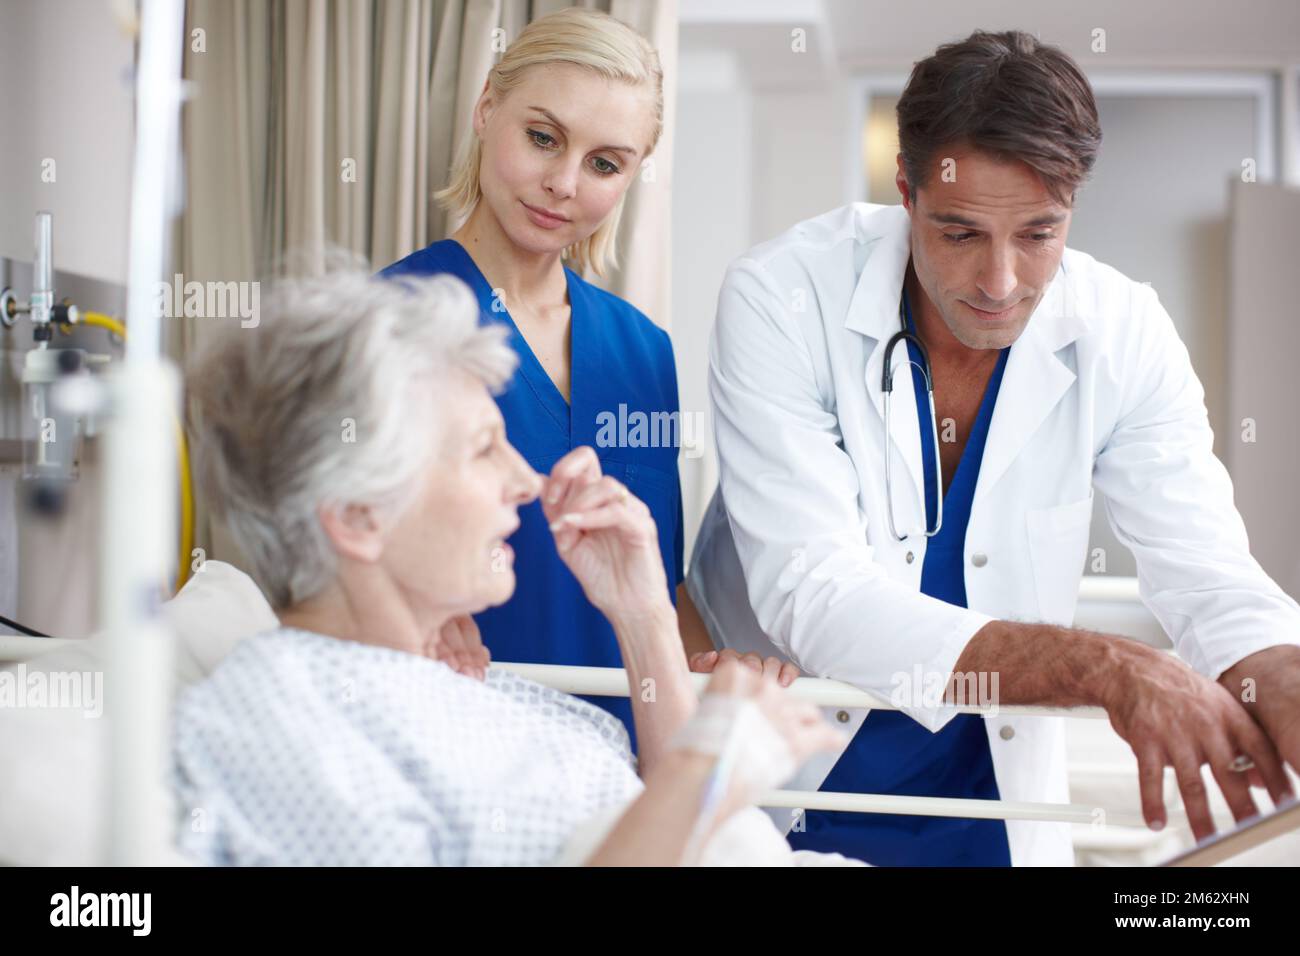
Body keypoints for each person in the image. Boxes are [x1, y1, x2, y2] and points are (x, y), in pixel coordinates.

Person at [688, 29, 1300, 866]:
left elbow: (1209, 573)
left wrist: (1283, 679)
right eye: (961, 233)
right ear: (906, 189)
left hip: (991, 816)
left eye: (1039, 234)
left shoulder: (1123, 333)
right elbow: (814, 593)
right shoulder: (785, 298)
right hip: (787, 792)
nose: (1001, 283)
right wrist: (1106, 668)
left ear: (1073, 206)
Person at [174, 266, 854, 867]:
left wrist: (642, 610)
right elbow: (675, 810)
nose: (526, 481)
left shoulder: (462, 682)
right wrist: (705, 771)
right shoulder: (281, 728)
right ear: (356, 516)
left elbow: (666, 822)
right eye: (482, 449)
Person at [380, 8, 761, 749]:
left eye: (605, 164)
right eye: (543, 138)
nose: (562, 183)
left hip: (622, 769)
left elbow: (663, 586)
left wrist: (718, 672)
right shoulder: (386, 320)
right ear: (487, 107)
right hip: (455, 745)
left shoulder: (643, 350)